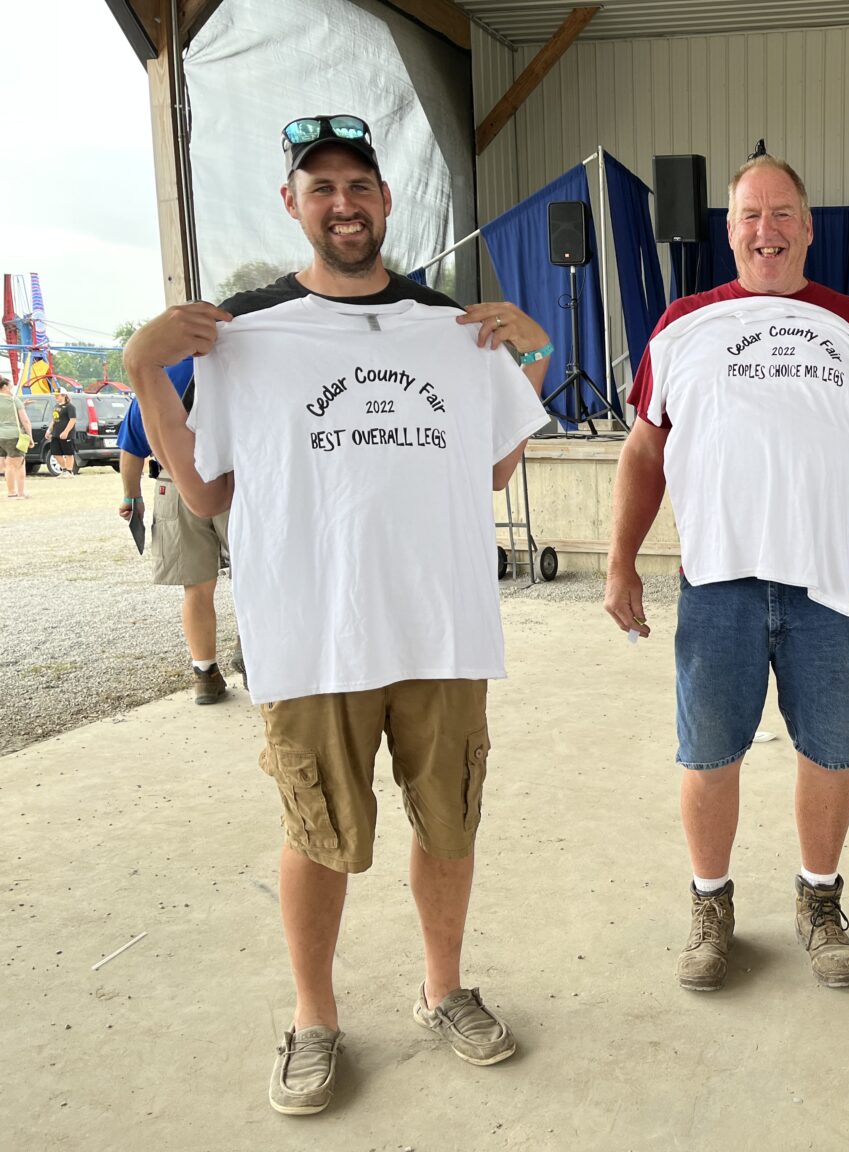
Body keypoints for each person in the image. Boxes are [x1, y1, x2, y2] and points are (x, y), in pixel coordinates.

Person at [123, 113, 554, 1115]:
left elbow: (489, 468)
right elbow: (204, 494)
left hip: (439, 627)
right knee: (318, 831)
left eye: (358, 184)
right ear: (293, 205)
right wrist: (149, 372)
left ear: (386, 200)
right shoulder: (245, 332)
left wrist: (531, 356)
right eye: (321, 188)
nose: (343, 203)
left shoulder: (450, 327)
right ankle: (314, 1020)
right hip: (310, 632)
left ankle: (444, 990)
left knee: (449, 819)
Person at [603, 155, 849, 993]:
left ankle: (819, 904)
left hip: (825, 588)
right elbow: (646, 449)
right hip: (718, 584)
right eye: (750, 214)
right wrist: (619, 560)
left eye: (783, 213)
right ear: (730, 228)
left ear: (809, 227)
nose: (766, 229)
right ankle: (712, 909)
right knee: (708, 756)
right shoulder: (682, 325)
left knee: (830, 752)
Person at [116, 358, 232, 704]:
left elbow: (133, 443)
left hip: (174, 482)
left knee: (196, 586)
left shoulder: (155, 375)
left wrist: (131, 495)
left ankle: (205, 674)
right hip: (233, 478)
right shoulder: (233, 364)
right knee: (253, 574)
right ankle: (253, 658)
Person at [1, 373, 32, 498]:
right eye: (10, 387)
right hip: (13, 436)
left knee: (7, 464)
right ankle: (16, 492)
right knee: (17, 465)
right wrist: (30, 437)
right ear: (4, 387)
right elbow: (25, 420)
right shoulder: (14, 400)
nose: (11, 390)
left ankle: (13, 491)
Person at [47, 388, 77, 475]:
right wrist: (49, 430)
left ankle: (69, 471)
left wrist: (66, 432)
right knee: (55, 453)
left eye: (58, 395)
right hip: (56, 434)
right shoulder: (56, 406)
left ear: (63, 395)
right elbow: (54, 420)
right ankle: (64, 470)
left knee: (68, 453)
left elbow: (73, 420)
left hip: (67, 435)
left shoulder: (70, 407)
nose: (56, 397)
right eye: (55, 395)